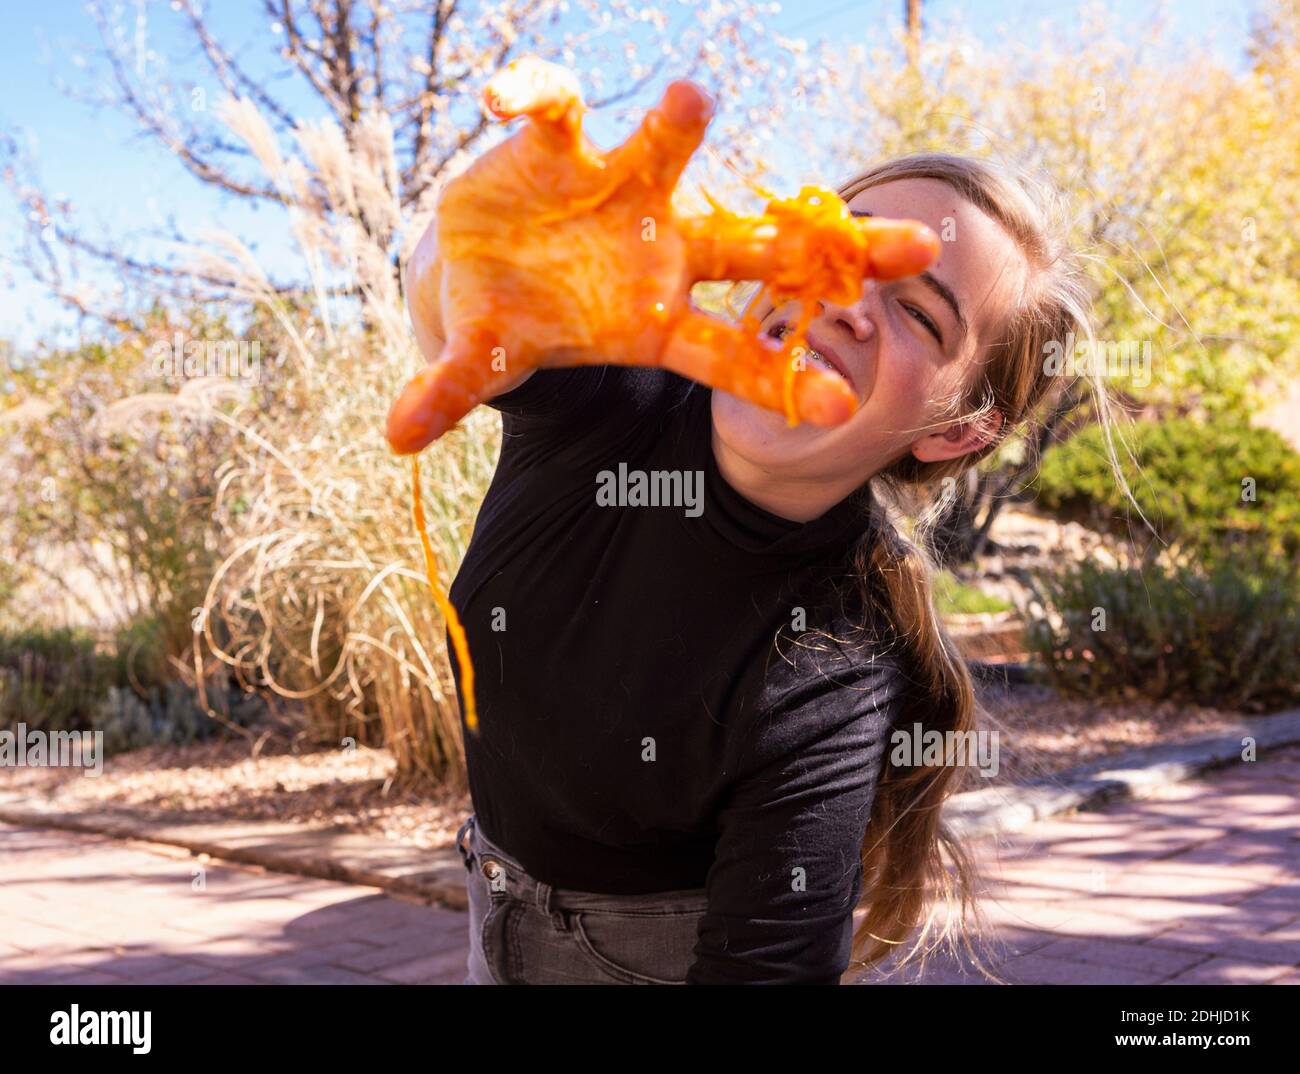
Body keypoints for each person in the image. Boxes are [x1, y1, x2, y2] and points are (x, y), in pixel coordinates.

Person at [394, 64, 1111, 984]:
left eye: (919, 314)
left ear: (958, 431)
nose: (847, 299)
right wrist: (472, 239)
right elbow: (461, 312)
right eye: (839, 248)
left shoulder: (834, 677)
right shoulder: (621, 384)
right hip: (488, 897)